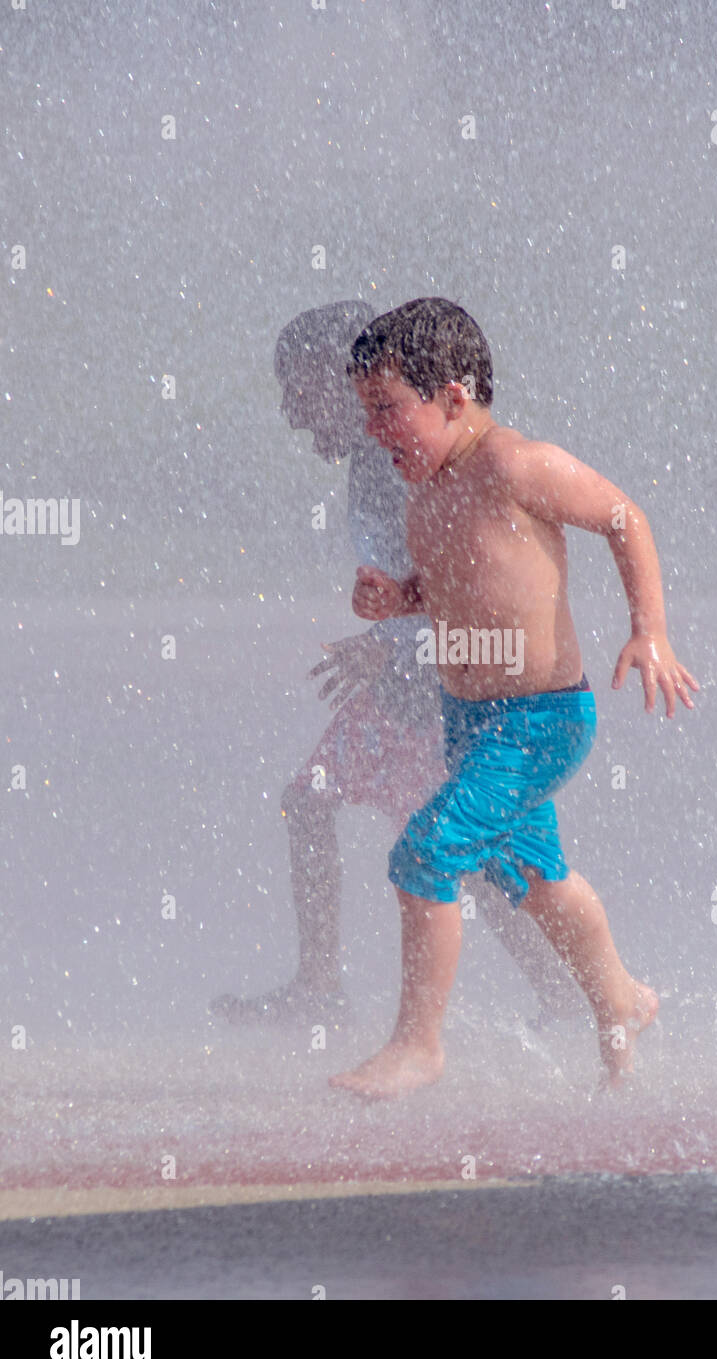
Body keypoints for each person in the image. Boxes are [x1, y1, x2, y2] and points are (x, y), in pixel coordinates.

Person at [328, 297, 700, 1098]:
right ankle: (624, 1002)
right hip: (468, 722)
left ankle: (417, 1046)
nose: (374, 431)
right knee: (537, 880)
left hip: (539, 721)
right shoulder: (427, 489)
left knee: (425, 852)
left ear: (454, 397)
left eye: (388, 409)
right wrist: (400, 597)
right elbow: (464, 587)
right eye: (367, 413)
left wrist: (652, 632)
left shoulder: (514, 465)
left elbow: (622, 515)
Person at [211, 301, 584, 1026]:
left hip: (449, 687)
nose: (291, 415)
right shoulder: (381, 464)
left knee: (475, 858)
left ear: (343, 378)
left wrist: (391, 646)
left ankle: (563, 995)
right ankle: (324, 990)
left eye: (298, 390)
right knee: (321, 804)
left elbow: (475, 583)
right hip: (419, 686)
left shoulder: (418, 466)